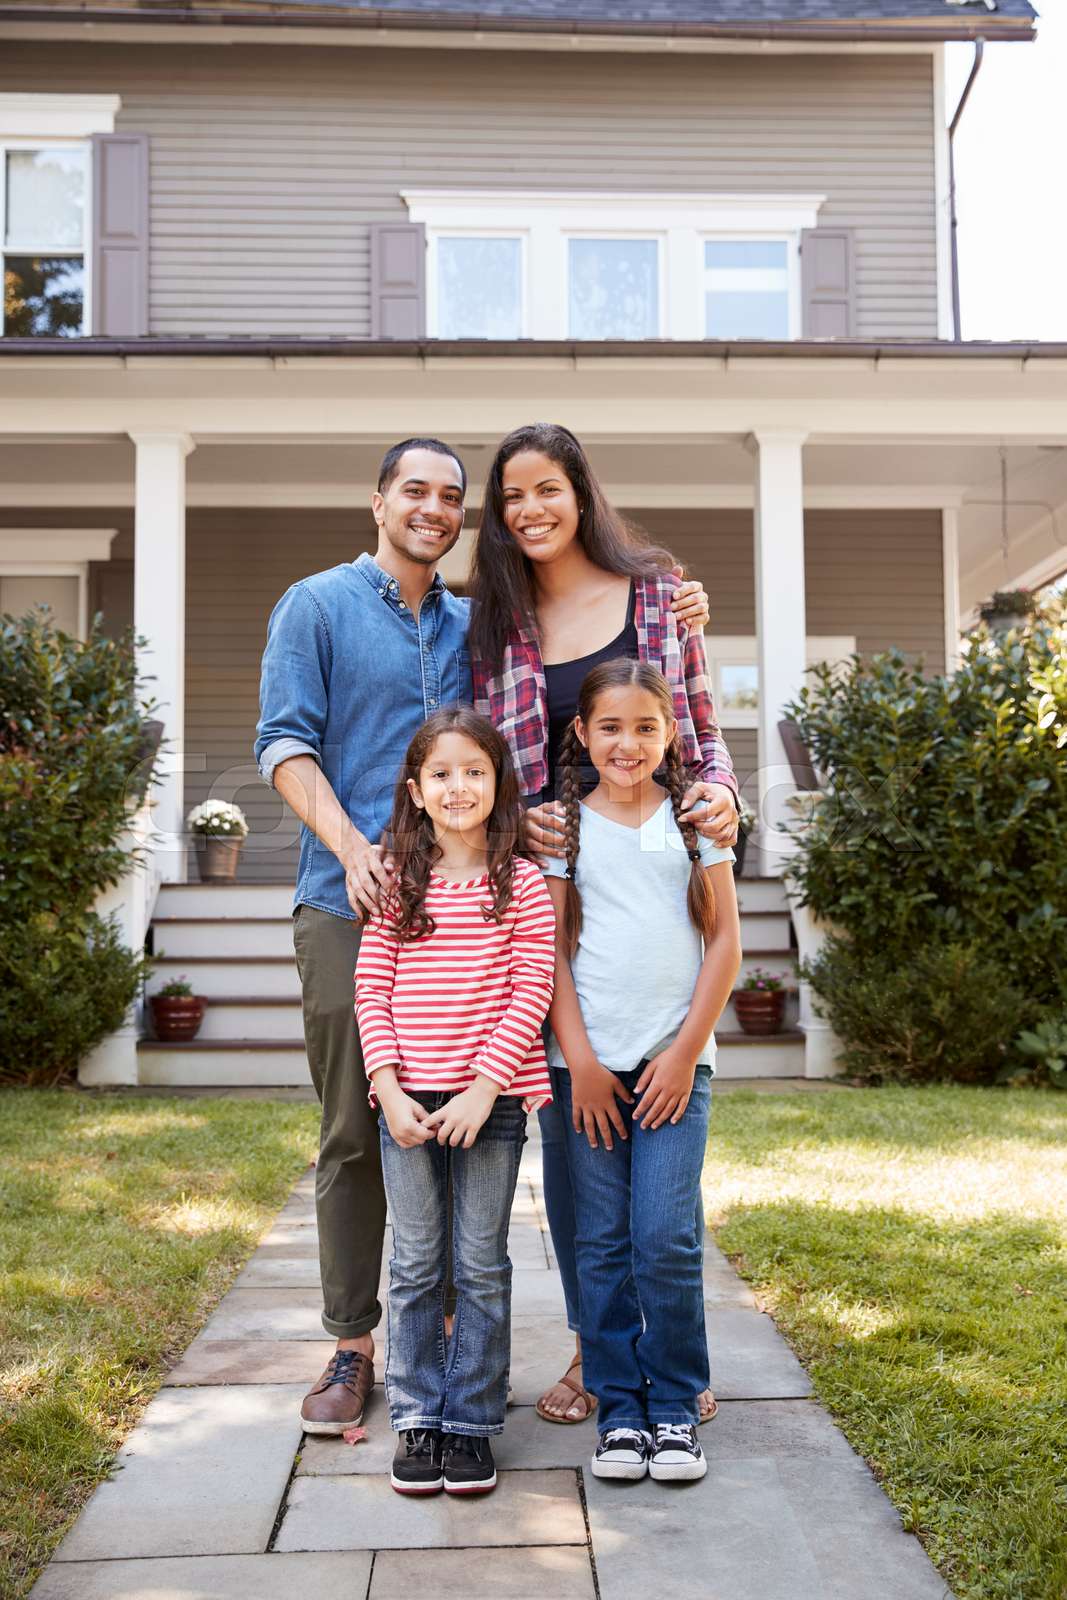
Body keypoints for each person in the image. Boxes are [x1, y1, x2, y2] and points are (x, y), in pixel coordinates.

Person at [254, 435, 708, 1435]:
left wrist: (675, 603)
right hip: (352, 899)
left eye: (450, 495)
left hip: (477, 910)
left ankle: (451, 1334)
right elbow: (282, 740)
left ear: (466, 518)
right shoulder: (316, 605)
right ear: (376, 500)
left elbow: (579, 706)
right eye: (412, 488)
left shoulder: (481, 621)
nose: (431, 505)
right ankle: (353, 1342)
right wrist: (356, 849)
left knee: (476, 1118)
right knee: (356, 1125)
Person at [468, 422, 738, 1425]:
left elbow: (703, 738)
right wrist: (513, 815)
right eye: (510, 498)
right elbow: (490, 767)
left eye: (546, 489)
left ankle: (670, 1359)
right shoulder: (494, 625)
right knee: (582, 1173)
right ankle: (596, 1352)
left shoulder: (662, 595)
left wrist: (718, 801)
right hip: (553, 906)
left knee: (660, 1198)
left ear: (579, 492)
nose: (529, 510)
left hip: (654, 896)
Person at [541, 659, 741, 1482]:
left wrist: (684, 1051)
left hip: (672, 1069)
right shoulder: (562, 829)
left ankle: (674, 1404)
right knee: (600, 1243)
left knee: (664, 1236)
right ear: (581, 734)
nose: (628, 744)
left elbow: (725, 942)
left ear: (669, 737)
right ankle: (620, 1409)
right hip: (583, 1073)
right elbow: (548, 953)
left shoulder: (695, 823)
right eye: (611, 728)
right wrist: (580, 1061)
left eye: (646, 728)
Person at [355, 708, 555, 1496]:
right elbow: (372, 988)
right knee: (411, 1264)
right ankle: (416, 1417)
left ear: (498, 781)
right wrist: (386, 1088)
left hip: (489, 1103)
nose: (458, 785)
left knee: (478, 1264)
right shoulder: (397, 881)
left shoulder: (523, 883)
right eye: (441, 773)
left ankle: (468, 1422)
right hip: (405, 1100)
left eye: (474, 770)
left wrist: (484, 1088)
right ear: (416, 790)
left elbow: (528, 990)